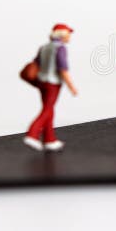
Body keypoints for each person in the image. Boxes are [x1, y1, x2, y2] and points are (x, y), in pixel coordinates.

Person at [24, 23, 78, 151]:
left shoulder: (44, 47)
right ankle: (32, 135)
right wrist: (71, 86)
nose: (70, 36)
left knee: (49, 109)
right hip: (53, 83)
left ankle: (49, 140)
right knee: (47, 110)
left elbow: (37, 63)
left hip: (41, 81)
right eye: (68, 34)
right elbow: (62, 69)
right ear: (62, 35)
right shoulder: (61, 48)